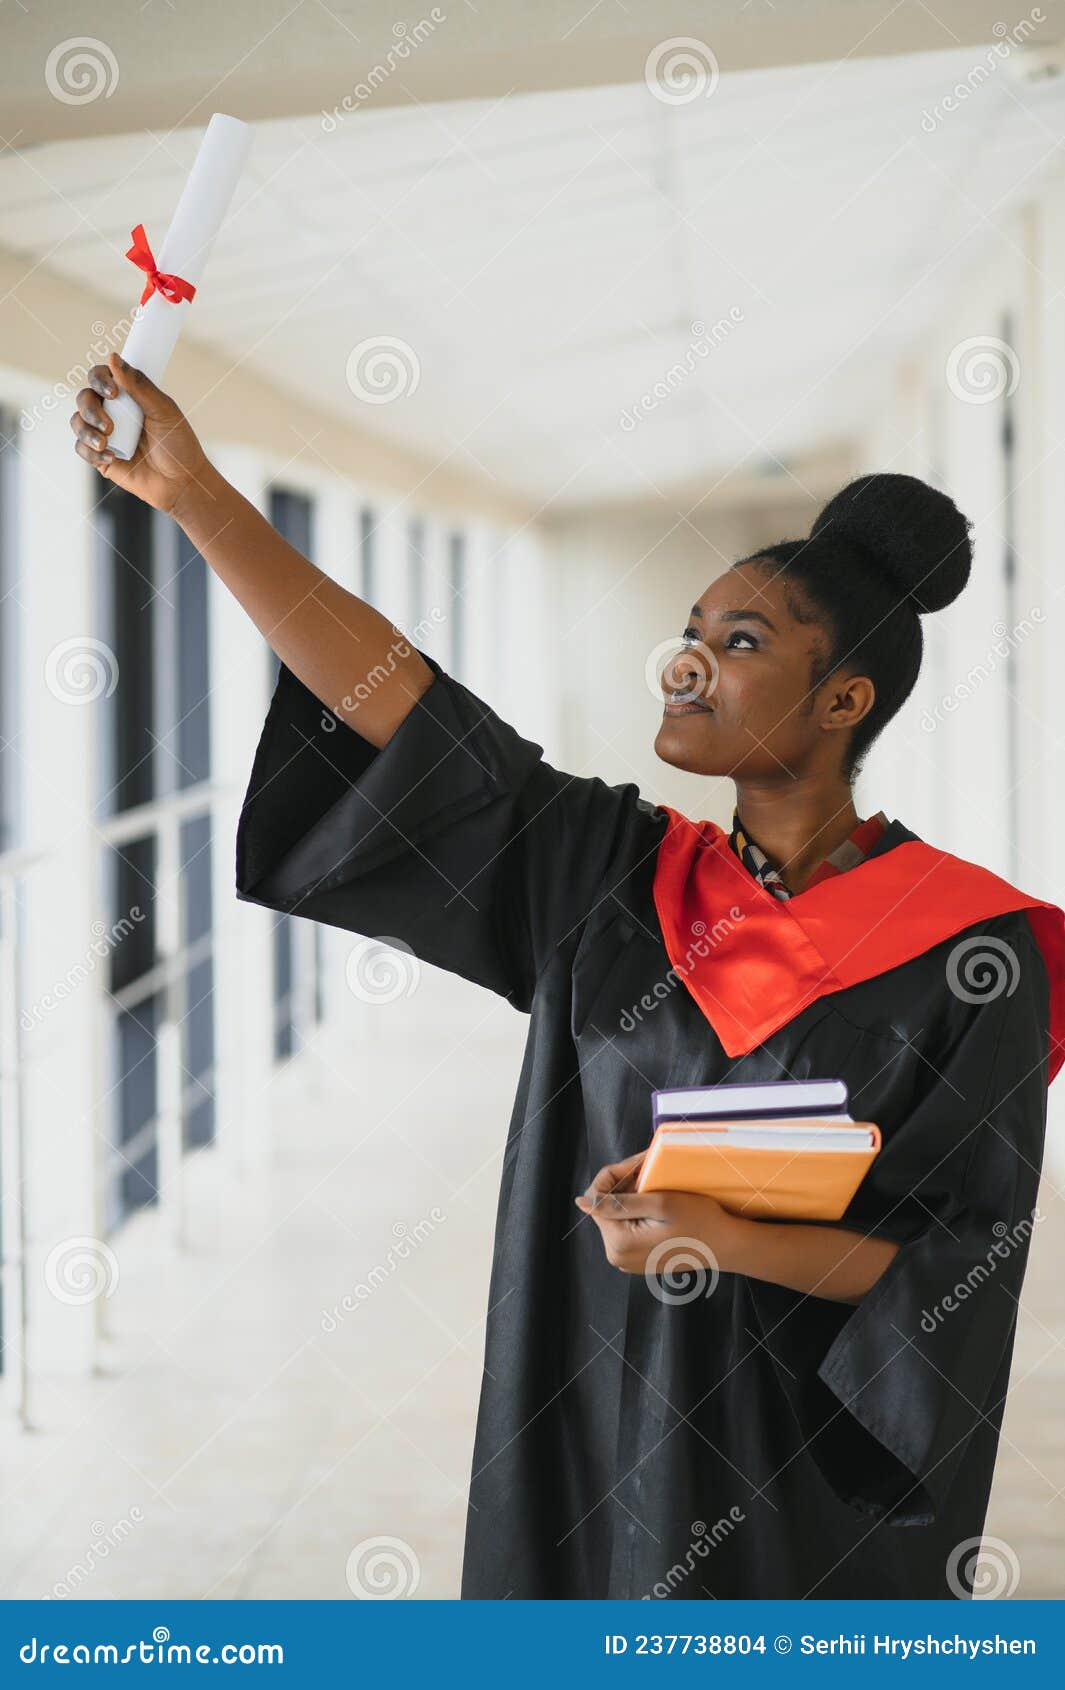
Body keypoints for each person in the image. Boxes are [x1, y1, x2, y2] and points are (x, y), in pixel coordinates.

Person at [70, 356, 1064, 1601]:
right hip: (599, 1404)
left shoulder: (975, 952)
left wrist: (732, 1238)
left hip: (813, 1466)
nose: (684, 663)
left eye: (739, 642)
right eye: (690, 632)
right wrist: (194, 493)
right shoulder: (615, 872)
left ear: (842, 700)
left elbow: (963, 1259)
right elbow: (413, 713)